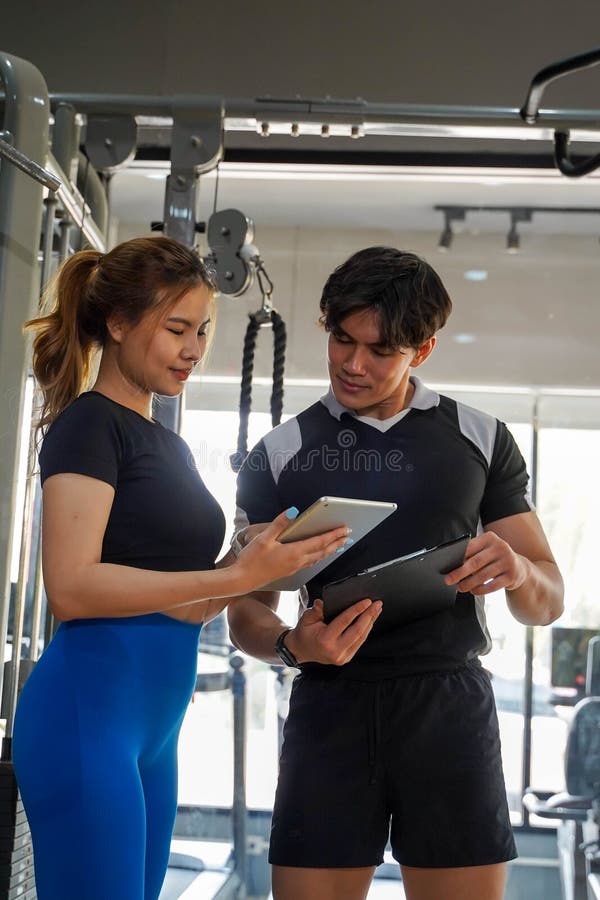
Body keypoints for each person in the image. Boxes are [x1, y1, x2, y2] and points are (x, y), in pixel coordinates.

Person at [11, 235, 351, 900]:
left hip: (153, 732)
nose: (193, 349)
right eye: (175, 329)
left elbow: (187, 604)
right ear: (117, 323)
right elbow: (73, 588)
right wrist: (232, 576)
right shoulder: (88, 426)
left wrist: (263, 561)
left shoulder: (166, 443)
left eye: (201, 330)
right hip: (89, 719)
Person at [227, 246, 564, 900]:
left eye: (380, 351)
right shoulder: (279, 454)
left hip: (447, 706)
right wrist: (293, 645)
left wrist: (518, 568)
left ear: (424, 349)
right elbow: (244, 613)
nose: (353, 364)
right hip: (330, 704)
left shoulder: (480, 437)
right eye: (342, 340)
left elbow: (545, 603)